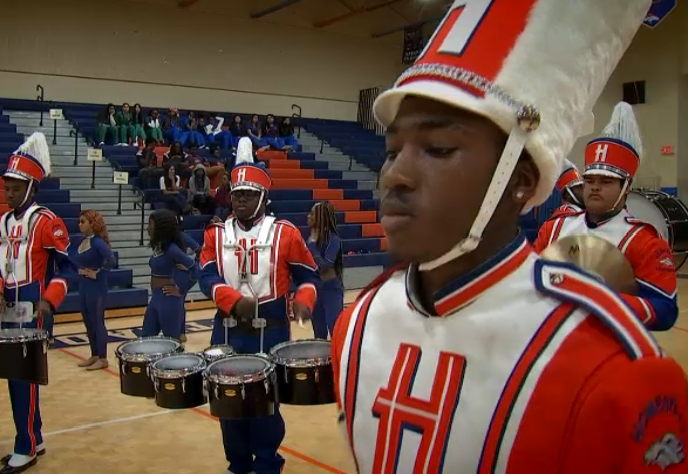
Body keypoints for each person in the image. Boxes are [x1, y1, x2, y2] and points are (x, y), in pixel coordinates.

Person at [332, 1, 688, 472]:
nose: (394, 175)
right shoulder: (356, 325)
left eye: (438, 148)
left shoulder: (613, 373)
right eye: (393, 150)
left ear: (521, 181)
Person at [199, 136, 319, 474]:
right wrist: (233, 301)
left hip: (271, 331)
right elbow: (206, 276)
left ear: (264, 197)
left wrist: (304, 301)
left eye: (248, 194)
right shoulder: (215, 234)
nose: (240, 200)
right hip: (227, 330)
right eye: (236, 194)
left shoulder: (286, 233)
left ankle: (267, 463)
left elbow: (308, 278)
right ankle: (238, 463)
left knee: (265, 404)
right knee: (228, 403)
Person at [533, 101, 678, 331]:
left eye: (606, 181)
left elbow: (665, 310)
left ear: (626, 187)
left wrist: (600, 298)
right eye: (589, 180)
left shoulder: (645, 242)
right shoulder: (555, 227)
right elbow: (526, 276)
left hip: (607, 339)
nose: (595, 187)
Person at [0, 132, 76, 474]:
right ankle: (33, 437)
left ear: (31, 188)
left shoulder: (47, 222)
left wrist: (50, 301)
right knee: (15, 376)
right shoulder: (1, 222)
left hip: (34, 308)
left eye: (15, 188)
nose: (9, 193)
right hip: (7, 308)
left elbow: (67, 267)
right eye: (6, 188)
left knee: (22, 377)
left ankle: (24, 447)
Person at [142, 209, 196, 340]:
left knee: (172, 341)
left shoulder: (172, 249)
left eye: (151, 224)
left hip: (168, 299)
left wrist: (182, 290)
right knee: (146, 338)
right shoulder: (159, 246)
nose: (147, 228)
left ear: (161, 228)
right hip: (155, 297)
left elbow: (195, 269)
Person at [75, 210, 116, 371]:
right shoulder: (84, 241)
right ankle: (94, 354)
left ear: (92, 224)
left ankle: (103, 358)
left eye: (83, 221)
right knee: (88, 321)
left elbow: (111, 259)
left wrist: (98, 273)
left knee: (97, 321)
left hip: (96, 286)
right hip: (84, 285)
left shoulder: (98, 242)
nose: (79, 224)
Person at [306, 202, 343, 339]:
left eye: (312, 214)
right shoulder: (310, 238)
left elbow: (325, 265)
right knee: (319, 333)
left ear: (321, 217)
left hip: (330, 289)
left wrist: (312, 245)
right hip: (316, 290)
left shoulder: (334, 239)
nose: (308, 216)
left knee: (335, 330)